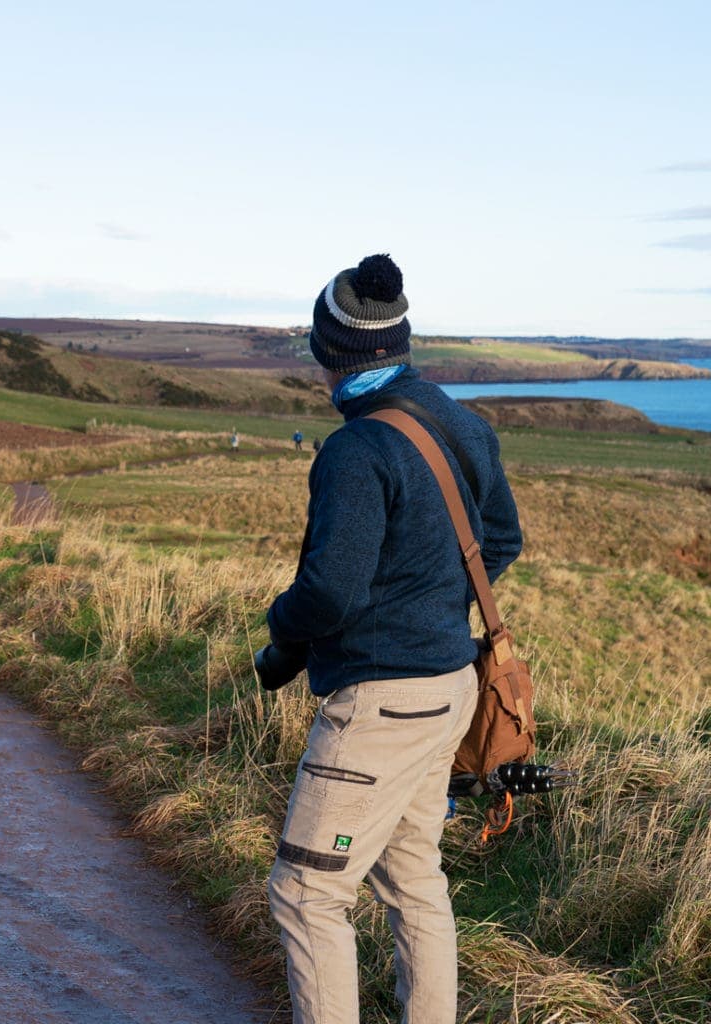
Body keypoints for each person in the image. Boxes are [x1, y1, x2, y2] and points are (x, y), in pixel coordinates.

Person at [254, 254, 523, 1024]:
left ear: (327, 352)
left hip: (381, 707)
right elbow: (499, 540)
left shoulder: (357, 448)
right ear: (397, 341)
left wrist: (282, 627)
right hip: (450, 687)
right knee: (414, 879)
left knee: (307, 893)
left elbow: (333, 592)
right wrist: (431, 600)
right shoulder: (461, 421)